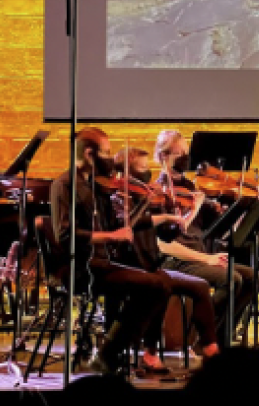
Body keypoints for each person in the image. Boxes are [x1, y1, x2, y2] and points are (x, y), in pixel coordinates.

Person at [48, 127, 171, 375]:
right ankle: (109, 355)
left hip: (103, 263)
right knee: (156, 286)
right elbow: (65, 235)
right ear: (91, 154)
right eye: (106, 153)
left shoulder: (96, 186)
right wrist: (110, 236)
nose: (111, 158)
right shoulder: (64, 185)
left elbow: (117, 227)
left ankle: (110, 352)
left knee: (161, 283)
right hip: (82, 267)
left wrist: (143, 206)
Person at [111, 146, 220, 371]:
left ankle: (211, 351)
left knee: (200, 287)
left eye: (147, 168)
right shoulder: (116, 199)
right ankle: (149, 353)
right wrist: (157, 211)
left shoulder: (150, 197)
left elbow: (168, 236)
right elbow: (126, 223)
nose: (147, 175)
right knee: (158, 285)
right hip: (127, 266)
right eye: (142, 169)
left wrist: (179, 217)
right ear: (127, 172)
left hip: (152, 264)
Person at [153, 129, 256, 348]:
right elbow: (164, 244)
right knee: (231, 279)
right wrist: (205, 259)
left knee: (251, 276)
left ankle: (220, 336)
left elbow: (219, 230)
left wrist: (237, 213)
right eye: (178, 153)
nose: (185, 158)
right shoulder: (158, 191)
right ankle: (203, 336)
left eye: (186, 152)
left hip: (199, 258)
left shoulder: (191, 188)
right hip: (177, 260)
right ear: (163, 156)